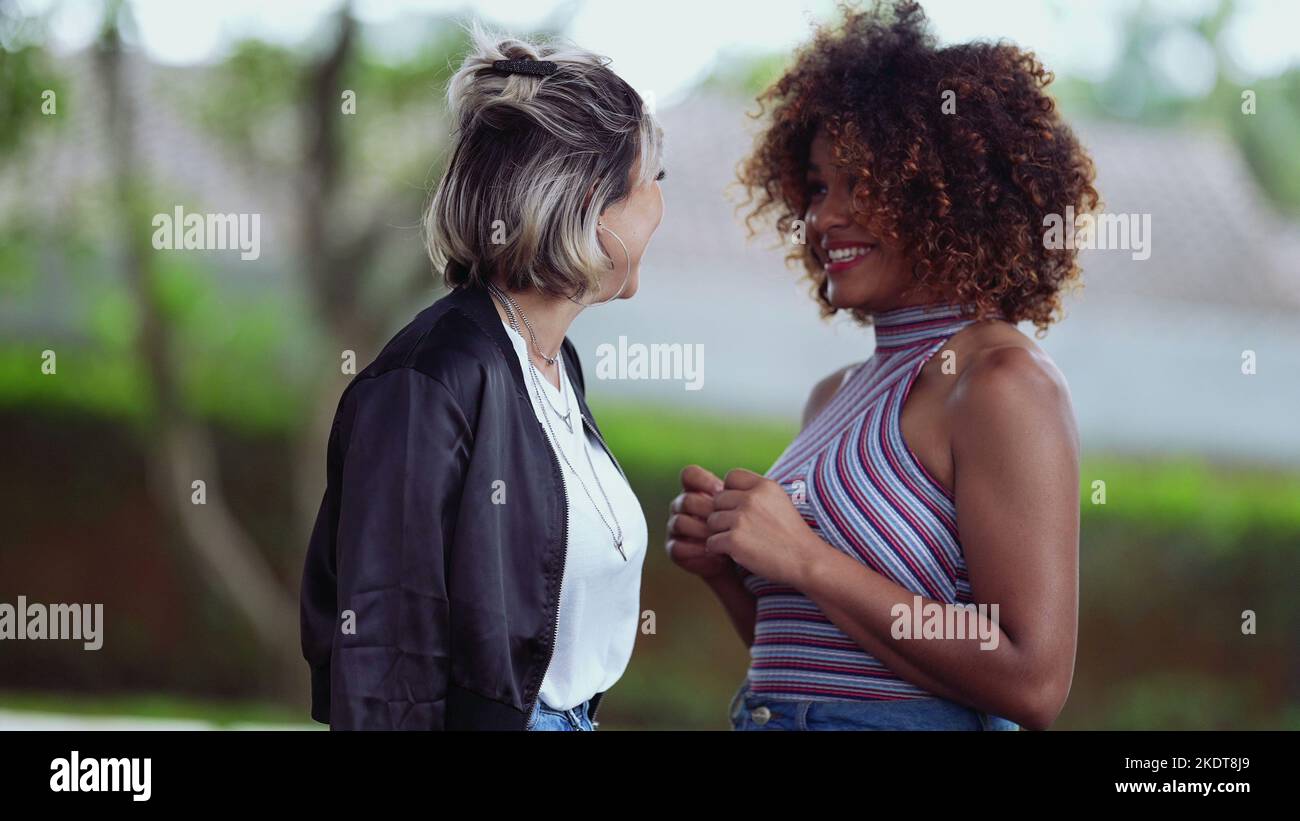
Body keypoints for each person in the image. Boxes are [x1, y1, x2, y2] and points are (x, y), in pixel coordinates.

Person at [667, 0, 1095, 731]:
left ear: (948, 197)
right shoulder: (835, 393)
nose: (823, 217)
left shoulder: (1001, 383)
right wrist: (733, 567)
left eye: (862, 185)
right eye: (819, 185)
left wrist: (806, 559)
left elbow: (1033, 678)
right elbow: (831, 658)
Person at [300, 25, 665, 730]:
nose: (661, 206)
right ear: (592, 205)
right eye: (653, 180)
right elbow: (382, 658)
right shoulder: (432, 376)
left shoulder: (553, 366)